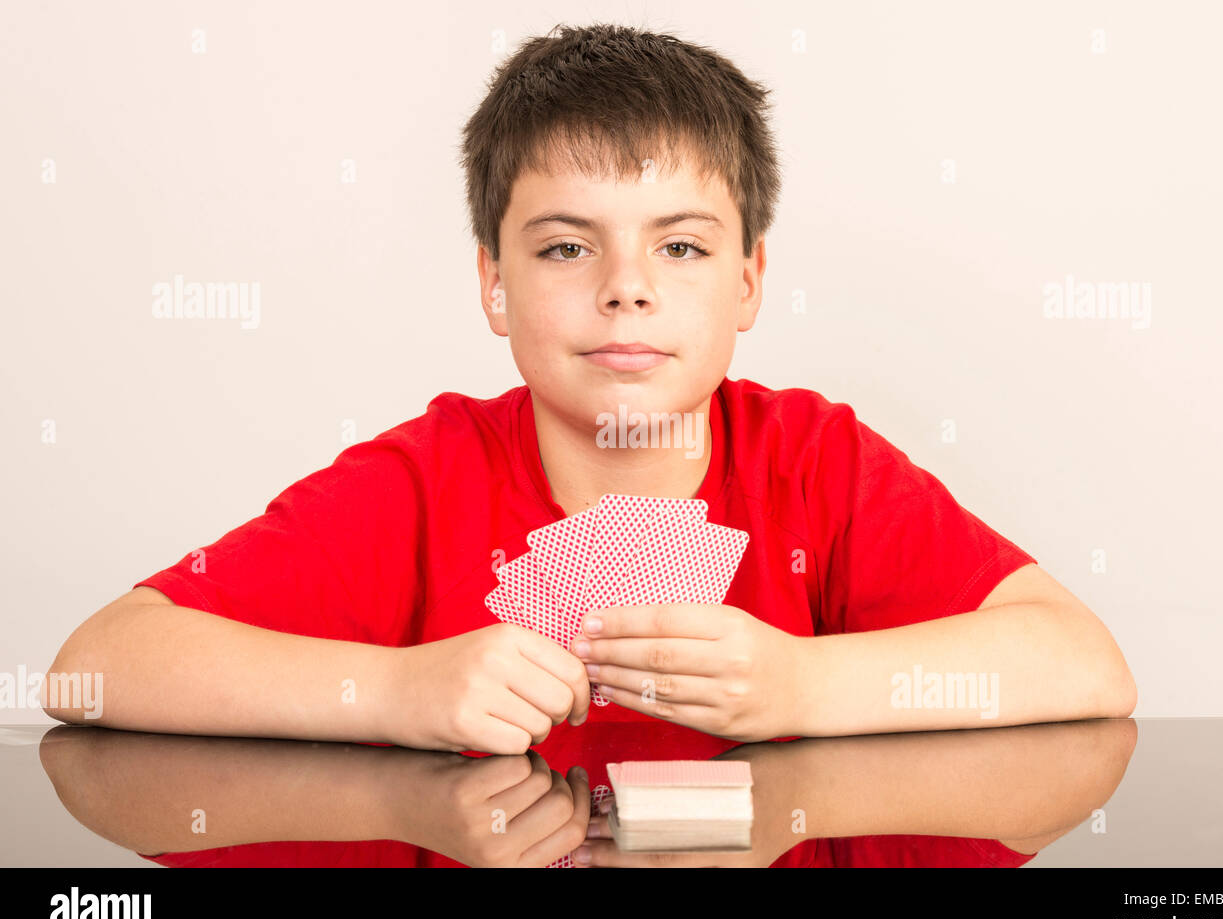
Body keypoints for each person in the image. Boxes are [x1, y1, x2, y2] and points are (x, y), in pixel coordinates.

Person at [44, 22, 1136, 867]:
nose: (625, 287)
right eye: (567, 246)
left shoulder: (815, 461)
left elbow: (1084, 667)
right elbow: (95, 670)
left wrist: (799, 688)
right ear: (493, 287)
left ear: (749, 280)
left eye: (681, 245)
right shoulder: (424, 480)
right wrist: (392, 694)